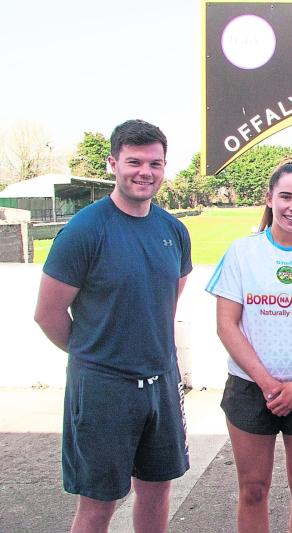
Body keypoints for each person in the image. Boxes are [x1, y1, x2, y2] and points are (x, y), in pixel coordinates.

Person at [33, 119, 192, 533]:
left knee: (157, 493)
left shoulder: (173, 231)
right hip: (104, 389)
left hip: (160, 383)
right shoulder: (85, 230)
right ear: (112, 164)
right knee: (99, 504)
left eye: (154, 164)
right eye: (134, 162)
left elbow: (169, 296)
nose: (145, 172)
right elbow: (48, 314)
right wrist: (95, 355)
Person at [206, 156, 292, 532]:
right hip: (251, 390)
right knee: (253, 489)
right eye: (286, 197)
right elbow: (227, 325)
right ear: (269, 198)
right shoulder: (241, 252)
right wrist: (268, 383)